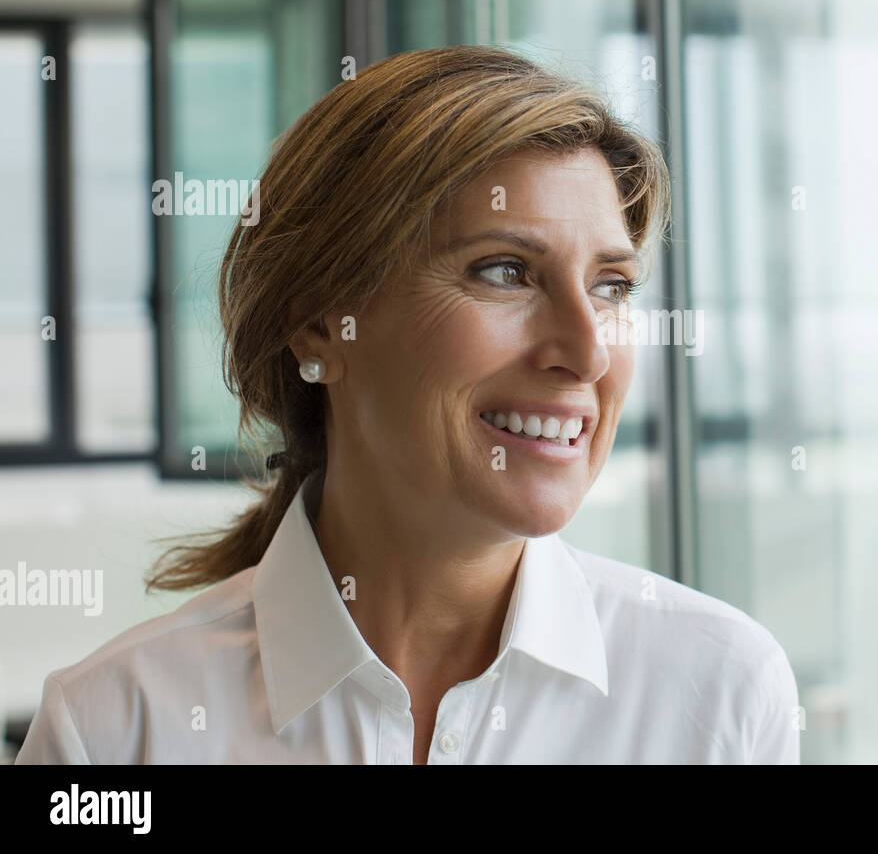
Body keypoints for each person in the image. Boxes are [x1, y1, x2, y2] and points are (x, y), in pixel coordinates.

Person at [15, 45, 800, 764]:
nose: (587, 350)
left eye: (611, 286)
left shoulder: (720, 696)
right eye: (505, 272)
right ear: (320, 319)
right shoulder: (113, 730)